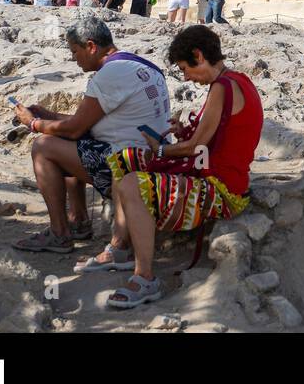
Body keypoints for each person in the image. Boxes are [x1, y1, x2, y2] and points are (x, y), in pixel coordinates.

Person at [96, 25, 264, 309]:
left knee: (130, 182)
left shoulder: (222, 87)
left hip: (221, 187)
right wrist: (184, 130)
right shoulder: (234, 81)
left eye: (185, 68)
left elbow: (195, 148)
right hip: (212, 172)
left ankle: (145, 276)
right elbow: (213, 138)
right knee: (124, 160)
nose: (186, 77)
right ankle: (120, 247)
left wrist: (160, 149)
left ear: (199, 55)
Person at [11, 18, 171, 254]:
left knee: (43, 147)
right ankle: (77, 222)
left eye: (75, 52)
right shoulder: (136, 64)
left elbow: (76, 128)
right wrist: (51, 115)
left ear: (91, 46)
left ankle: (59, 233)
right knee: (68, 141)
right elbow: (89, 122)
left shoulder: (110, 74)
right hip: (151, 156)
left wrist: (33, 123)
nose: (74, 59)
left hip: (127, 164)